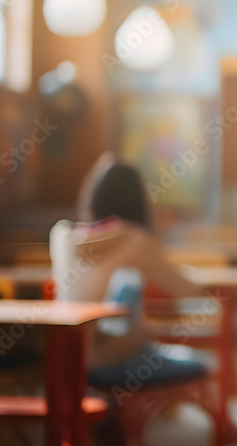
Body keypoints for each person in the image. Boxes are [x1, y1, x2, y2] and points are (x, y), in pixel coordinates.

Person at [49, 153, 205, 387]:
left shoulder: (61, 238)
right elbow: (187, 289)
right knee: (202, 361)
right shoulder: (136, 238)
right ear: (138, 201)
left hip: (67, 362)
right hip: (119, 361)